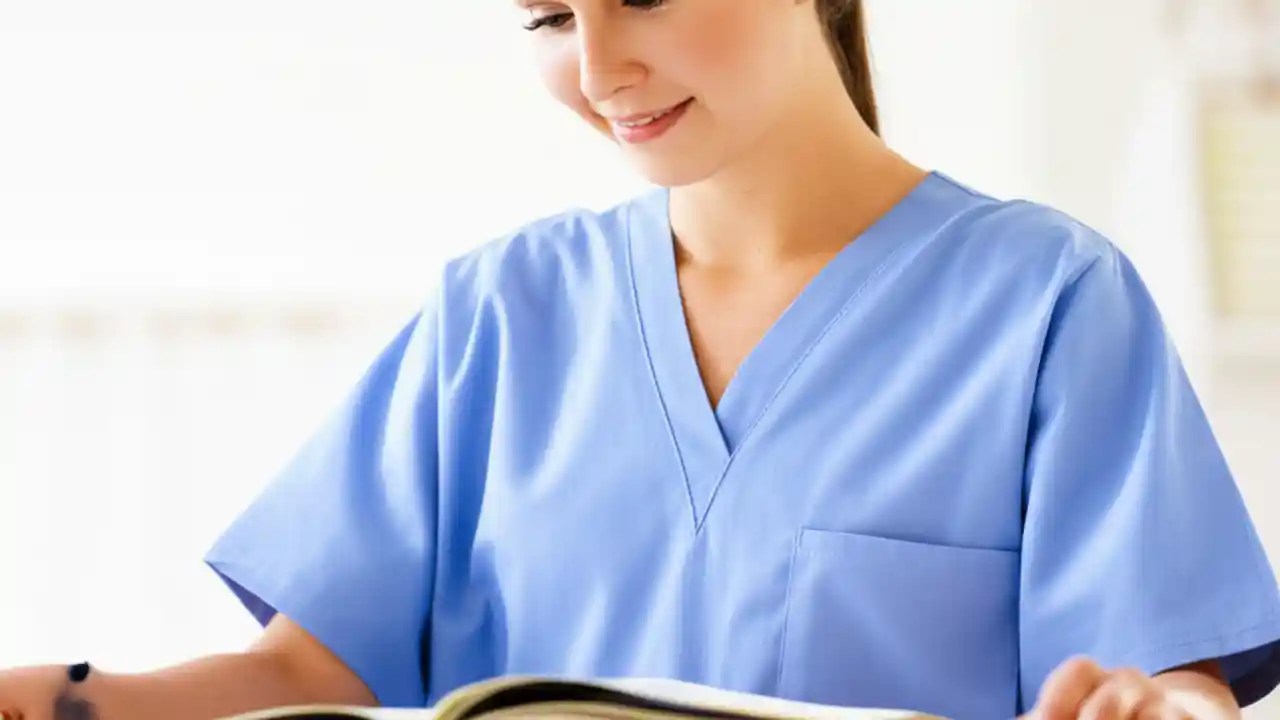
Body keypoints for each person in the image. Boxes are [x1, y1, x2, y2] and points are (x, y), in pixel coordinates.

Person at [3, 1, 1279, 718]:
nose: (599, 66)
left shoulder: (1047, 304)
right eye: (548, 16)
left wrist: (1164, 711)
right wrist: (66, 703)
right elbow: (305, 677)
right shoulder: (500, 315)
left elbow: (1158, 684)